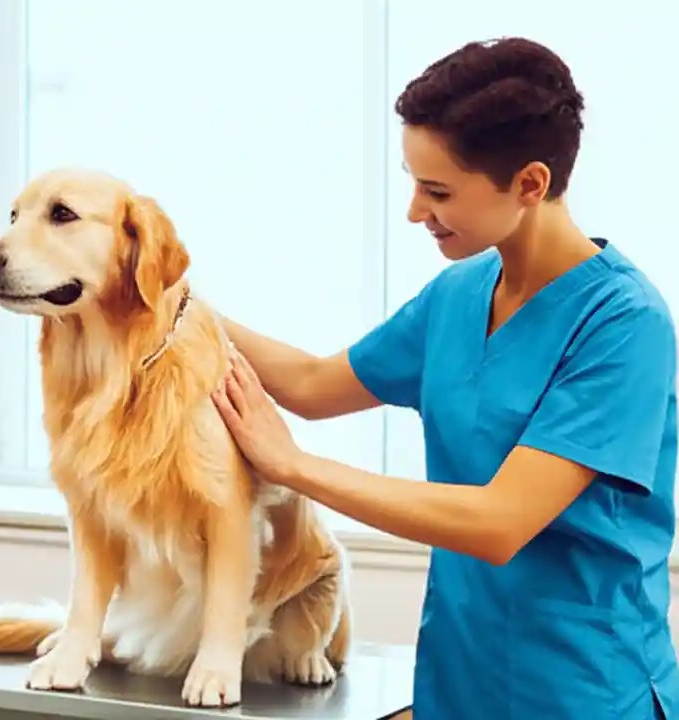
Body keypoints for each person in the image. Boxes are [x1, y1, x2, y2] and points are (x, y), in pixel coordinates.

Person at [212, 37, 677, 719]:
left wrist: (293, 467)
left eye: (438, 191)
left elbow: (499, 521)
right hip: (459, 682)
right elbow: (312, 384)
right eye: (412, 181)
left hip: (586, 693)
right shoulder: (457, 295)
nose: (413, 211)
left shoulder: (624, 324)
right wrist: (179, 306)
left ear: (531, 183)